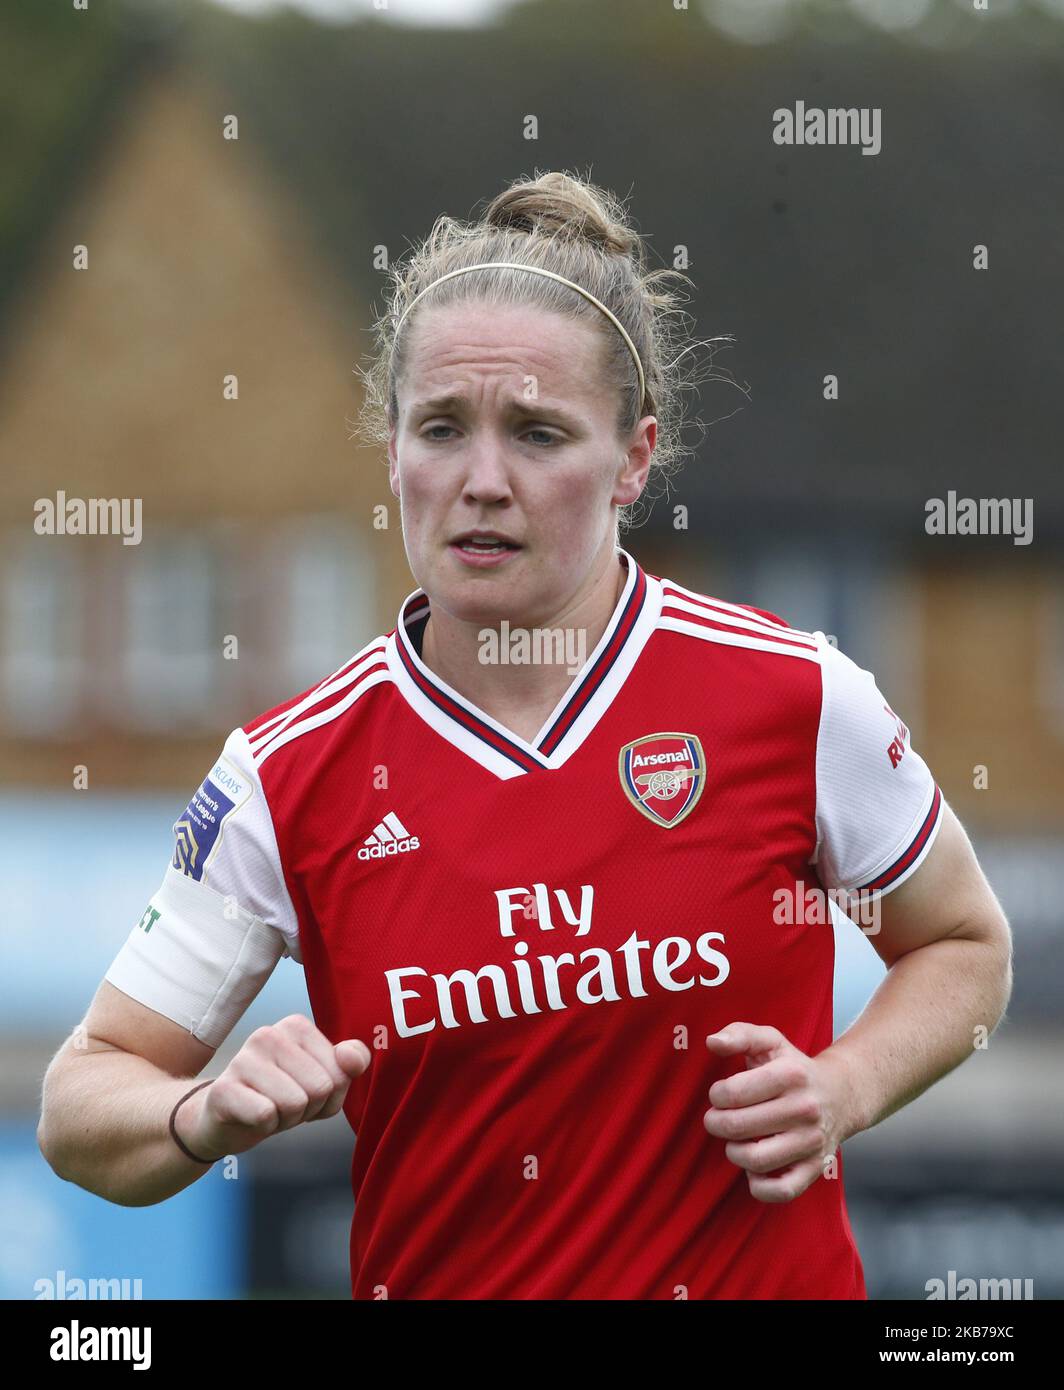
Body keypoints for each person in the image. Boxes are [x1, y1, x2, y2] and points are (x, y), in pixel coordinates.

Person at [37, 170, 1012, 1300]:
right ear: (392, 449)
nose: (482, 482)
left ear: (633, 460)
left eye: (538, 434)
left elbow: (961, 947)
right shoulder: (286, 774)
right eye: (441, 428)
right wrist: (198, 1112)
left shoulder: (792, 699)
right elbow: (81, 1103)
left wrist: (844, 1087)